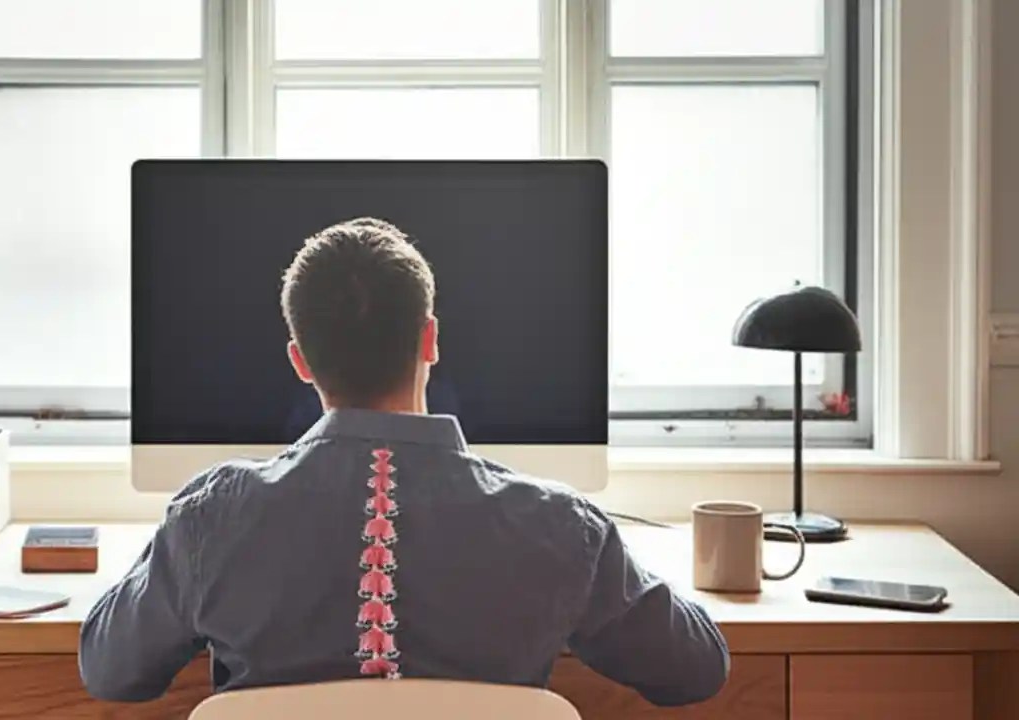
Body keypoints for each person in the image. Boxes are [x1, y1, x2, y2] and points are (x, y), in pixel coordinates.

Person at [79, 217, 729, 705]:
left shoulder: (211, 518)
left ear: (300, 361)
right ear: (431, 338)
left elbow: (112, 671)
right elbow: (696, 671)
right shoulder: (560, 525)